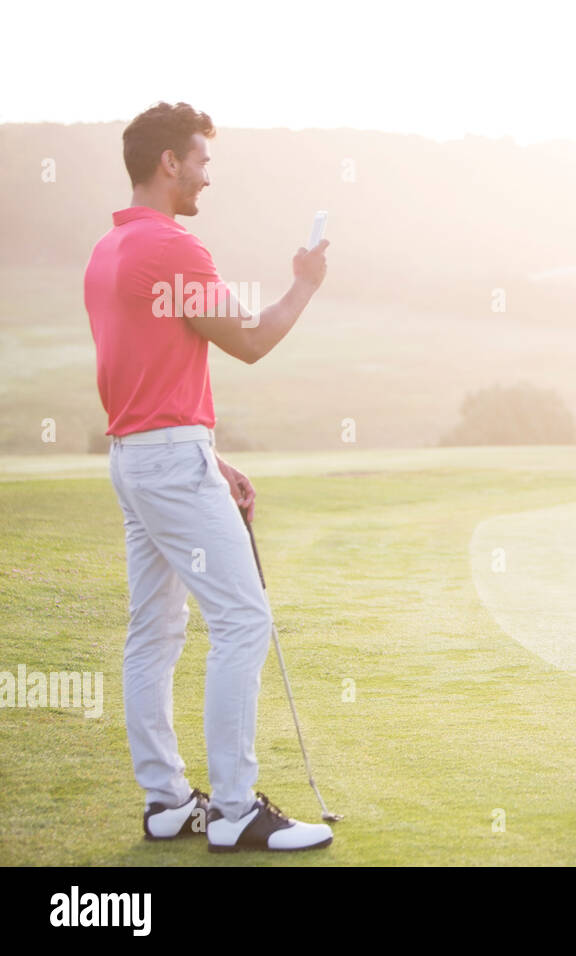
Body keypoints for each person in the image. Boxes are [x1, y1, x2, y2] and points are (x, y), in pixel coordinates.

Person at [84, 102, 333, 851]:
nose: (206, 177)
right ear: (170, 163)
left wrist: (208, 453)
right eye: (201, 161)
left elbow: (147, 367)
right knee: (242, 619)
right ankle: (232, 811)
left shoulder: (108, 249)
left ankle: (166, 802)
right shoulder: (173, 249)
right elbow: (251, 339)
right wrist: (307, 283)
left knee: (155, 630)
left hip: (136, 455)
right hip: (166, 460)